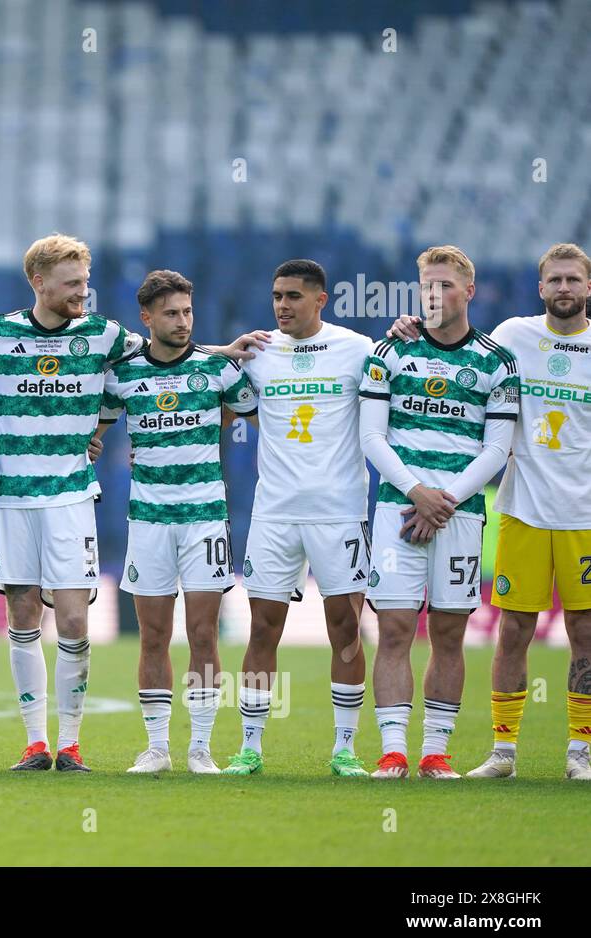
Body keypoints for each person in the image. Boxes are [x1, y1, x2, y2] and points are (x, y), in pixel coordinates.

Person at [387, 243, 591, 781]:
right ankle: (503, 753)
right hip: (522, 510)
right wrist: (413, 323)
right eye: (555, 281)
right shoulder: (511, 339)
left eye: (574, 280)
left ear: (588, 288)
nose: (565, 289)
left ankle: (581, 753)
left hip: (586, 517)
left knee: (587, 631)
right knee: (515, 630)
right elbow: (451, 341)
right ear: (540, 287)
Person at [0, 234, 144, 773]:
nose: (82, 293)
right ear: (38, 283)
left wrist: (105, 425)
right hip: (11, 499)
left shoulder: (104, 334)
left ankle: (71, 743)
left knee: (73, 621)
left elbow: (163, 357)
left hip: (69, 498)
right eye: (71, 284)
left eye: (85, 282)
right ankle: (36, 742)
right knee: (20, 615)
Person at [360, 245, 518, 780]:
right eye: (426, 285)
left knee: (449, 632)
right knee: (396, 629)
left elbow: (496, 451)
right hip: (396, 510)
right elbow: (372, 437)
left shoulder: (497, 362)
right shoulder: (390, 352)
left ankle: (435, 752)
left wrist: (441, 501)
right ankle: (393, 752)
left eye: (445, 285)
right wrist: (415, 491)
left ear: (468, 291)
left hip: (460, 516)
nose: (434, 295)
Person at [216, 260, 377, 778]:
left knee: (346, 628)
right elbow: (207, 393)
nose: (281, 305)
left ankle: (345, 749)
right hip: (275, 513)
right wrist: (224, 351)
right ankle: (250, 747)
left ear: (321, 300)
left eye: (292, 296)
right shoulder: (258, 354)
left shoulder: (358, 350)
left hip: (340, 513)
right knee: (263, 628)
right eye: (276, 296)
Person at [100, 270, 257, 776]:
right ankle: (157, 748)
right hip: (148, 521)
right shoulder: (122, 374)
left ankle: (201, 749)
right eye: (171, 313)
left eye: (188, 312)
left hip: (206, 519)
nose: (183, 321)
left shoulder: (219, 370)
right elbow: (96, 427)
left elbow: (249, 415)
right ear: (146, 318)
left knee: (204, 633)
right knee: (152, 636)